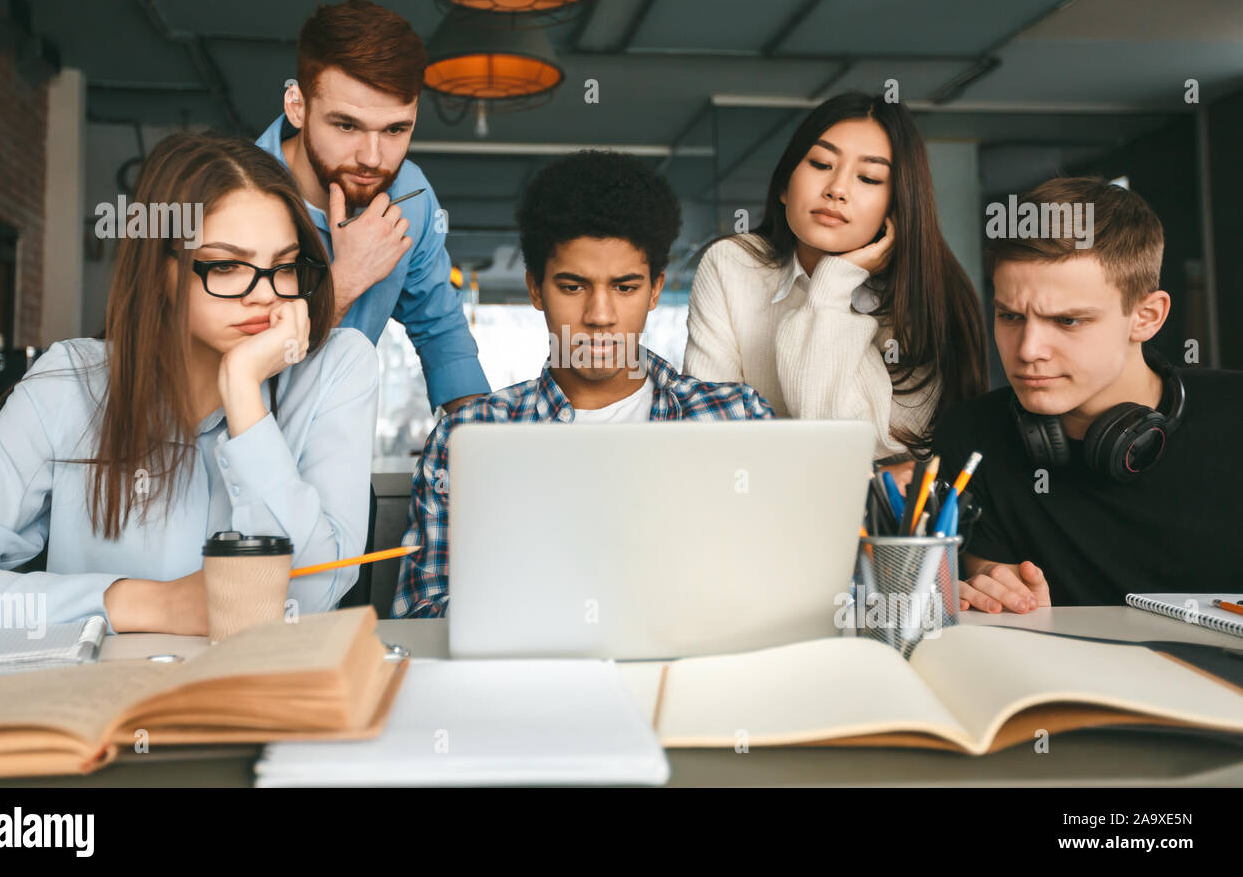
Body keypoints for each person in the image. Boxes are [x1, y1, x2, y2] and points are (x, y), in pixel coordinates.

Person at [0, 133, 380, 635]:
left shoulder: (337, 368)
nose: (265, 296)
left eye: (283, 266)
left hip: (255, 693)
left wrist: (243, 394)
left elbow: (311, 595)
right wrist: (145, 604)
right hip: (102, 702)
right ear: (159, 271)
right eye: (228, 265)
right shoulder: (67, 384)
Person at [392, 150, 775, 617]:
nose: (599, 316)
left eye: (625, 287)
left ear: (656, 290)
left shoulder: (734, 420)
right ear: (536, 289)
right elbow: (419, 614)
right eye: (573, 287)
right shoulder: (468, 438)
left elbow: (776, 589)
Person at [931, 176, 1238, 611]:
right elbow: (992, 592)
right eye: (1010, 316)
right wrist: (991, 588)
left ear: (1146, 317)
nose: (1027, 351)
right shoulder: (971, 437)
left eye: (1068, 321)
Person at [684, 91, 987, 471]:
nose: (837, 189)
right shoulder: (732, 264)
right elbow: (709, 434)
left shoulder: (927, 297)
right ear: (784, 184)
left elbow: (843, 448)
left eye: (869, 177)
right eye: (821, 163)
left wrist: (832, 287)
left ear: (896, 207)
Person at [256, 0, 489, 415]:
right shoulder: (231, 196)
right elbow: (230, 373)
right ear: (298, 106)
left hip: (344, 457)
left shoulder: (411, 195)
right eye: (346, 125)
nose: (373, 158)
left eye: (396, 129)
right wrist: (345, 281)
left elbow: (440, 331)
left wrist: (482, 445)